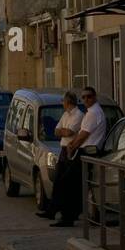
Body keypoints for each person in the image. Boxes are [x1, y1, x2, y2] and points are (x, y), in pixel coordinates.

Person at [51, 86, 107, 228]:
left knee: (68, 182)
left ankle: (67, 217)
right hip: (86, 151)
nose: (86, 99)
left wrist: (71, 147)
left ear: (94, 97)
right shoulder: (92, 112)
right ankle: (71, 214)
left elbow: (82, 135)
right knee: (74, 183)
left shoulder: (93, 113)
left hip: (86, 152)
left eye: (89, 96)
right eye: (84, 97)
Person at [37, 89, 82, 219]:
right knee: (57, 181)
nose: (62, 103)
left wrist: (64, 131)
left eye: (63, 101)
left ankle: (65, 212)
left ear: (68, 102)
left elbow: (69, 133)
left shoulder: (78, 115)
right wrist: (64, 131)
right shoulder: (65, 115)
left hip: (71, 151)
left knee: (65, 182)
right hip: (62, 150)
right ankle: (51, 211)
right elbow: (56, 131)